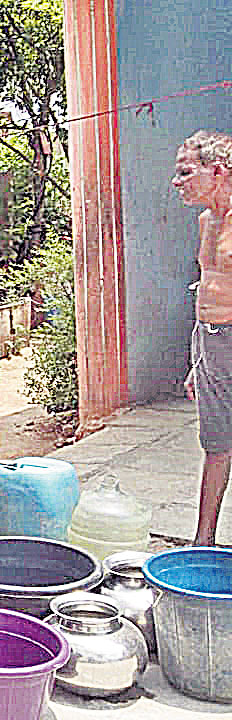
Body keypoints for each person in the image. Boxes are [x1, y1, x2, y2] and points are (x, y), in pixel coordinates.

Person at [175, 129, 232, 546]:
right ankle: (203, 540)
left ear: (217, 171)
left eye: (185, 172)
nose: (177, 182)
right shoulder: (205, 220)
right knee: (216, 442)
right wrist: (197, 360)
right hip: (210, 341)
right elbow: (206, 285)